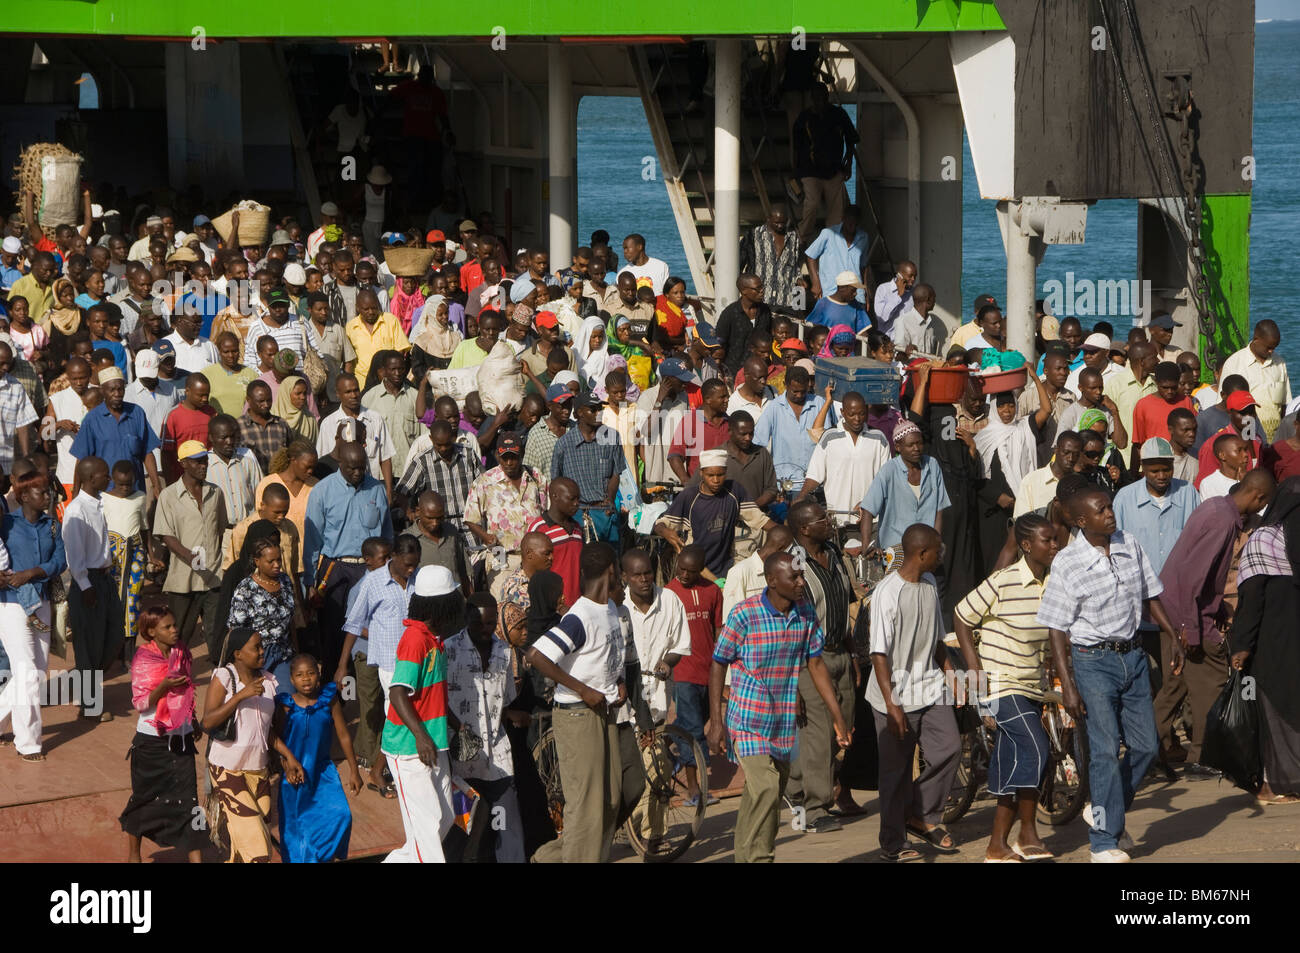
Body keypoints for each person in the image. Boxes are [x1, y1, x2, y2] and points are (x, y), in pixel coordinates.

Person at [1036, 487, 1181, 862]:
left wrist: (1172, 636)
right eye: (1101, 510)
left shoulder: (1128, 543)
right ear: (1082, 521)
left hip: (1132, 657)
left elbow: (1151, 595)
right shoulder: (1068, 562)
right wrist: (1068, 684)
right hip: (1092, 661)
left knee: (1148, 746)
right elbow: (1055, 627)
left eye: (1110, 507)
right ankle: (1103, 840)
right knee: (1103, 751)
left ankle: (1106, 808)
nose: (1110, 514)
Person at [709, 551, 850, 862]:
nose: (801, 583)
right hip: (747, 718)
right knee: (767, 788)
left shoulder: (805, 613)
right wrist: (717, 721)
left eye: (802, 576)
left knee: (763, 798)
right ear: (771, 581)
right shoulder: (744, 614)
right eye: (794, 578)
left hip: (783, 723)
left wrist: (837, 717)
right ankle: (761, 858)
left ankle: (746, 856)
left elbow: (816, 665)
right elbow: (718, 663)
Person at [954, 514, 1059, 862]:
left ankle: (1006, 842)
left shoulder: (1055, 583)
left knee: (1013, 757)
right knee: (1037, 748)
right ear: (1027, 545)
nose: (1055, 546)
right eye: (1047, 540)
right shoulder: (1004, 580)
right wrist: (975, 674)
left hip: (1031, 685)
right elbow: (962, 616)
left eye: (1056, 539)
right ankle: (1015, 834)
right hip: (999, 684)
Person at [1158, 470, 1275, 779]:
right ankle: (1202, 759)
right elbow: (1193, 576)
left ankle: (1145, 749)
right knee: (1211, 687)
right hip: (1188, 617)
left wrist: (1215, 608)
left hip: (1176, 612)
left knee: (1174, 688)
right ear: (1258, 497)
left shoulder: (1214, 509)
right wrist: (1193, 629)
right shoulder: (1223, 521)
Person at [526, 543, 626, 863]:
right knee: (586, 807)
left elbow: (603, 656)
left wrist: (617, 682)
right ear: (613, 571)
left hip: (604, 711)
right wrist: (582, 689)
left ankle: (547, 859)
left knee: (610, 801)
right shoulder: (579, 616)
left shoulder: (609, 608)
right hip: (578, 715)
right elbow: (537, 656)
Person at [868, 524, 962, 862]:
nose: (941, 557)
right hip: (894, 694)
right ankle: (894, 843)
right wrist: (892, 705)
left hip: (930, 686)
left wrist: (952, 675)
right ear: (922, 554)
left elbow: (936, 637)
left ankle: (921, 814)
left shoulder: (931, 584)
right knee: (895, 772)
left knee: (950, 749)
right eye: (938, 551)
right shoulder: (887, 593)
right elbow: (878, 654)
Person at [785, 500, 858, 834]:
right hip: (809, 660)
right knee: (819, 733)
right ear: (803, 528)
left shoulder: (834, 551)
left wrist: (852, 655)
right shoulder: (792, 562)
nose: (828, 522)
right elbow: (788, 619)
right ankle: (814, 809)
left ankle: (794, 789)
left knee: (840, 730)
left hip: (840, 651)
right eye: (821, 519)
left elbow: (846, 601)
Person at [203, 628, 303, 863]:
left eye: (261, 646)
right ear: (238, 654)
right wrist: (240, 696)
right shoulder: (224, 677)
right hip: (228, 771)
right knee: (258, 852)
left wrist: (290, 758)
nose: (262, 651)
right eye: (256, 647)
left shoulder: (269, 681)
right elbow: (207, 721)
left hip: (259, 772)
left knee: (243, 847)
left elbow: (267, 732)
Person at [1230, 477, 1300, 803]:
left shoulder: (1263, 541)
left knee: (1272, 712)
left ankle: (1276, 781)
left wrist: (1241, 645)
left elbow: (1251, 599)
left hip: (1272, 646)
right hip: (1279, 644)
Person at [443, 592, 527, 862]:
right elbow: (437, 701)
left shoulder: (504, 651)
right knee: (464, 827)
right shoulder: (448, 650)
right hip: (460, 758)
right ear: (467, 618)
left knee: (506, 823)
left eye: (490, 624)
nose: (485, 629)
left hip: (497, 754)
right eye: (479, 623)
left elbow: (504, 699)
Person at [119, 606, 204, 862]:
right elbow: (141, 703)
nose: (174, 629)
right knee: (144, 799)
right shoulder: (144, 660)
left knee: (190, 801)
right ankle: (134, 855)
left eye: (174, 624)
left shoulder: (182, 653)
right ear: (151, 632)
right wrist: (164, 686)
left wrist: (193, 720)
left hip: (181, 737)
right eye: (167, 627)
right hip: (151, 742)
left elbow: (187, 690)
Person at [304, 441, 393, 674]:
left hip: (369, 570)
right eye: (352, 468)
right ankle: (334, 697)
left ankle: (363, 690)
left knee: (367, 630)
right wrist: (310, 582)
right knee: (333, 632)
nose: (357, 473)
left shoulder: (376, 489)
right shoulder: (322, 491)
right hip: (335, 570)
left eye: (361, 468)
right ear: (340, 464)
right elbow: (313, 541)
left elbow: (386, 533)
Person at [0, 472, 66, 758]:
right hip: (11, 605)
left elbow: (60, 561)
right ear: (24, 496)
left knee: (35, 671)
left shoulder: (52, 525)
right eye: (41, 492)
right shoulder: (6, 524)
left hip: (41, 602)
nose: (48, 496)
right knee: (26, 671)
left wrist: (32, 572)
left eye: (48, 492)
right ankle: (28, 743)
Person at [274, 653, 363, 863]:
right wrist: (285, 766)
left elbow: (343, 735)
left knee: (341, 816)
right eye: (300, 675)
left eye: (311, 673)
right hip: (294, 776)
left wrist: (354, 770)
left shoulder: (328, 700)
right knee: (297, 834)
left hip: (323, 772)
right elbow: (276, 743)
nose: (306, 679)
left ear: (319, 674)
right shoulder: (285, 706)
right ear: (292, 679)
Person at [63, 456, 125, 721]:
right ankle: (90, 703)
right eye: (104, 475)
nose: (109, 478)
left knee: (113, 636)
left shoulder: (98, 504)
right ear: (90, 479)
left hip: (105, 580)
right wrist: (85, 585)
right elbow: (74, 555)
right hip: (87, 582)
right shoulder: (76, 510)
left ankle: (83, 685)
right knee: (88, 643)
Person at [154, 440, 228, 652]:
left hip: (213, 576)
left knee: (216, 634)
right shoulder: (168, 496)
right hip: (183, 578)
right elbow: (166, 535)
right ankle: (176, 677)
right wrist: (188, 556)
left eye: (204, 460)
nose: (203, 465)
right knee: (179, 635)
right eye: (197, 462)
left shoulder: (216, 493)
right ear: (183, 464)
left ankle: (218, 675)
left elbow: (220, 530)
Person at [69, 368, 163, 497]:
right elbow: (82, 458)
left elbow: (147, 452)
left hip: (135, 491)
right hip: (105, 494)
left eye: (120, 389)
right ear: (102, 391)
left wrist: (156, 485)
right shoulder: (93, 419)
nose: (117, 393)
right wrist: (76, 492)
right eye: (112, 390)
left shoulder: (136, 413)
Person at [860, 421, 951, 554]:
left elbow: (939, 510)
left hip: (925, 549)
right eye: (910, 445)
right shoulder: (888, 470)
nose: (916, 448)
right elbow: (868, 510)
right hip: (894, 549)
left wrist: (935, 543)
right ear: (898, 447)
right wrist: (866, 545)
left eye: (919, 443)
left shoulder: (932, 465)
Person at [550, 392, 626, 547]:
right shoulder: (564, 445)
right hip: (577, 516)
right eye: (593, 410)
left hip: (605, 513)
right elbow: (555, 482)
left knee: (610, 562)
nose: (598, 413)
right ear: (579, 413)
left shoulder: (612, 437)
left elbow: (616, 473)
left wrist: (610, 501)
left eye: (600, 409)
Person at [792, 84, 860, 243]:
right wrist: (795, 171)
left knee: (838, 212)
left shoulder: (839, 114)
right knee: (813, 203)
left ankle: (833, 241)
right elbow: (796, 146)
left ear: (827, 97)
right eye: (816, 98)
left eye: (822, 97)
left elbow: (851, 139)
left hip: (834, 169)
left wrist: (849, 163)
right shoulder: (804, 118)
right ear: (812, 99)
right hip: (810, 170)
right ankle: (801, 239)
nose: (820, 101)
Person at [754, 365, 835, 495]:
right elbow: (758, 444)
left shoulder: (819, 403)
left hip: (816, 483)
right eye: (795, 391)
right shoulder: (774, 408)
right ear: (785, 385)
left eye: (803, 391)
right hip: (785, 486)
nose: (799, 395)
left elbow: (826, 442)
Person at [103, 459, 154, 652]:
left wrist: (150, 554)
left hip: (135, 554)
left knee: (133, 599)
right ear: (112, 480)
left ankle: (129, 650)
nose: (125, 488)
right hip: (112, 557)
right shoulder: (104, 499)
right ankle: (113, 648)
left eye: (128, 484)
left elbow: (144, 528)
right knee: (113, 599)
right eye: (120, 484)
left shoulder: (140, 496)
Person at [318, 373, 395, 497]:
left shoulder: (375, 419)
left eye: (356, 390)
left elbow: (385, 458)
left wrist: (389, 491)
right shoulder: (328, 424)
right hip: (339, 493)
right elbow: (324, 462)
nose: (353, 395)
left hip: (370, 491)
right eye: (348, 392)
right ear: (338, 394)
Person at [1221, 320, 1290, 441]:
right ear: (1256, 339)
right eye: (1268, 347)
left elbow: (1285, 405)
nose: (1271, 351)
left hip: (1275, 438)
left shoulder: (1280, 363)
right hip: (1246, 437)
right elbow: (1224, 406)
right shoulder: (1234, 364)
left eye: (1274, 348)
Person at [1130, 362, 1197, 471]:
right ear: (1156, 382)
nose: (1170, 391)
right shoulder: (1143, 405)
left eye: (1174, 387)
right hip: (1154, 465)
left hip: (1182, 464)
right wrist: (1135, 473)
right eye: (1165, 387)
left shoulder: (1186, 401)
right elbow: (1138, 443)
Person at [1104, 341, 1157, 466]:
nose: (1158, 361)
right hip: (1123, 460)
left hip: (1151, 460)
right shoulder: (1116, 383)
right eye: (1154, 357)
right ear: (1142, 361)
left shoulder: (1157, 384)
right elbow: (1106, 419)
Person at [1013, 431, 1084, 518]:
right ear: (1056, 450)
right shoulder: (1031, 481)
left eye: (1076, 454)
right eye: (1066, 452)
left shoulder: (1080, 483)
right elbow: (1020, 522)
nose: (1071, 458)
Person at [238, 380, 292, 474]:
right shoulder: (238, 426)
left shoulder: (281, 424)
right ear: (248, 400)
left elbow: (291, 453)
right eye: (261, 401)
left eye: (269, 400)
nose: (266, 405)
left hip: (278, 482)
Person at [1199, 432, 1254, 500]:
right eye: (1239, 451)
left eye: (1245, 450)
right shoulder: (1209, 484)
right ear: (1222, 456)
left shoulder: (1254, 480)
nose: (1245, 454)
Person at [894, 283, 944, 357]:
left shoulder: (931, 323)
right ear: (928, 300)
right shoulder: (903, 321)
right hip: (910, 368)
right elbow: (898, 356)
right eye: (934, 298)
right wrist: (906, 352)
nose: (935, 301)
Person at [1168, 407, 1199, 483]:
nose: (1192, 434)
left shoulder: (1198, 455)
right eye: (1186, 430)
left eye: (1194, 429)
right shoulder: (1162, 458)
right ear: (1171, 430)